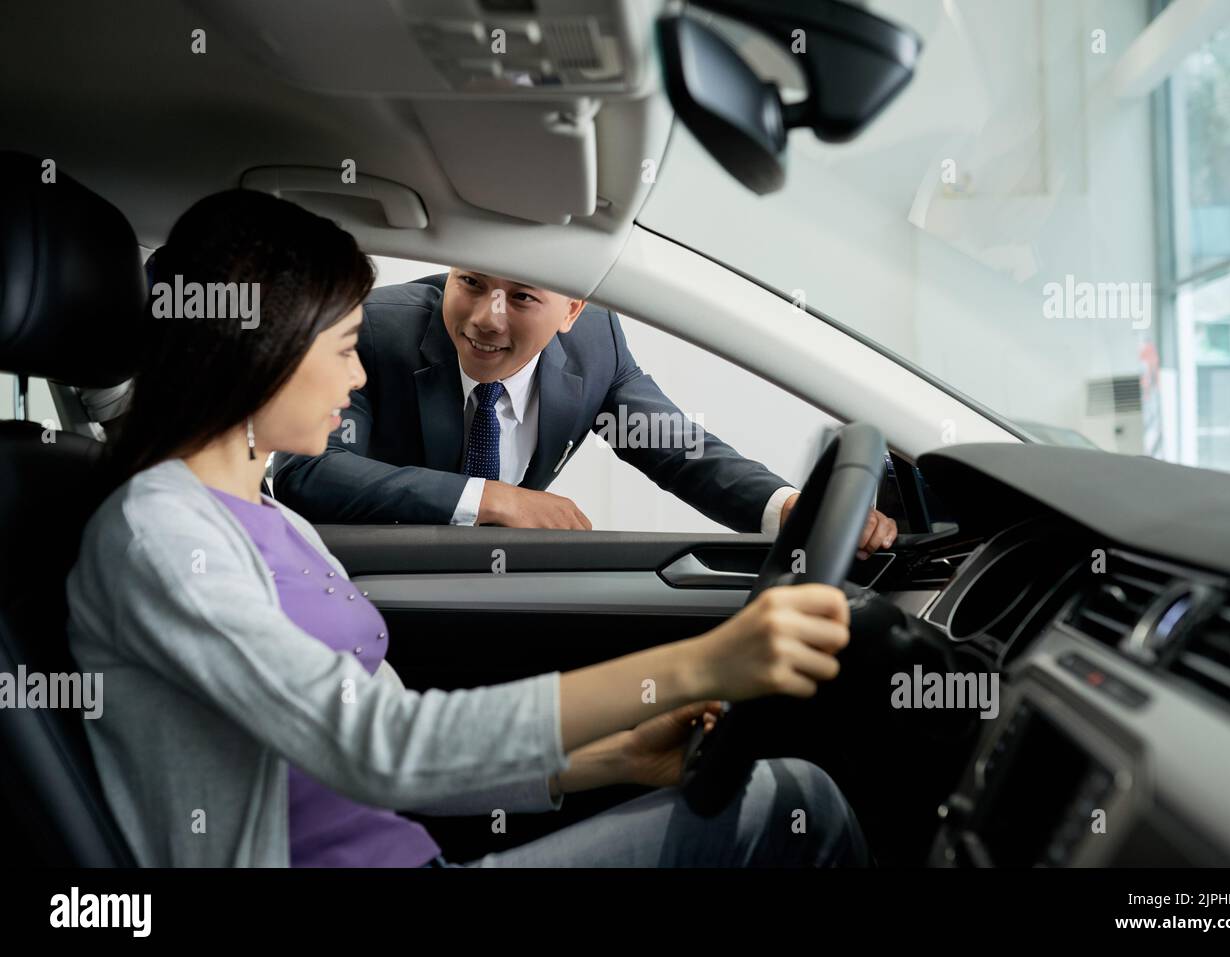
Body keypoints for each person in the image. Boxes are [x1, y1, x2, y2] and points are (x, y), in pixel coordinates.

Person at [66, 188, 870, 867]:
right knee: (793, 804)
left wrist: (613, 759)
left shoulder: (276, 525)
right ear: (262, 351)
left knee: (786, 798)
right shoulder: (161, 537)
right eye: (344, 348)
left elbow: (405, 767)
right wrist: (702, 663)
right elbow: (383, 741)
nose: (357, 374)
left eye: (522, 297)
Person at [270, 271, 897, 554]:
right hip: (371, 591)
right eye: (471, 285)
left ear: (571, 313)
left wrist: (789, 508)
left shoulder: (597, 343)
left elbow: (678, 450)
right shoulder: (376, 329)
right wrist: (495, 499)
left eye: (521, 298)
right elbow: (310, 473)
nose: (486, 317)